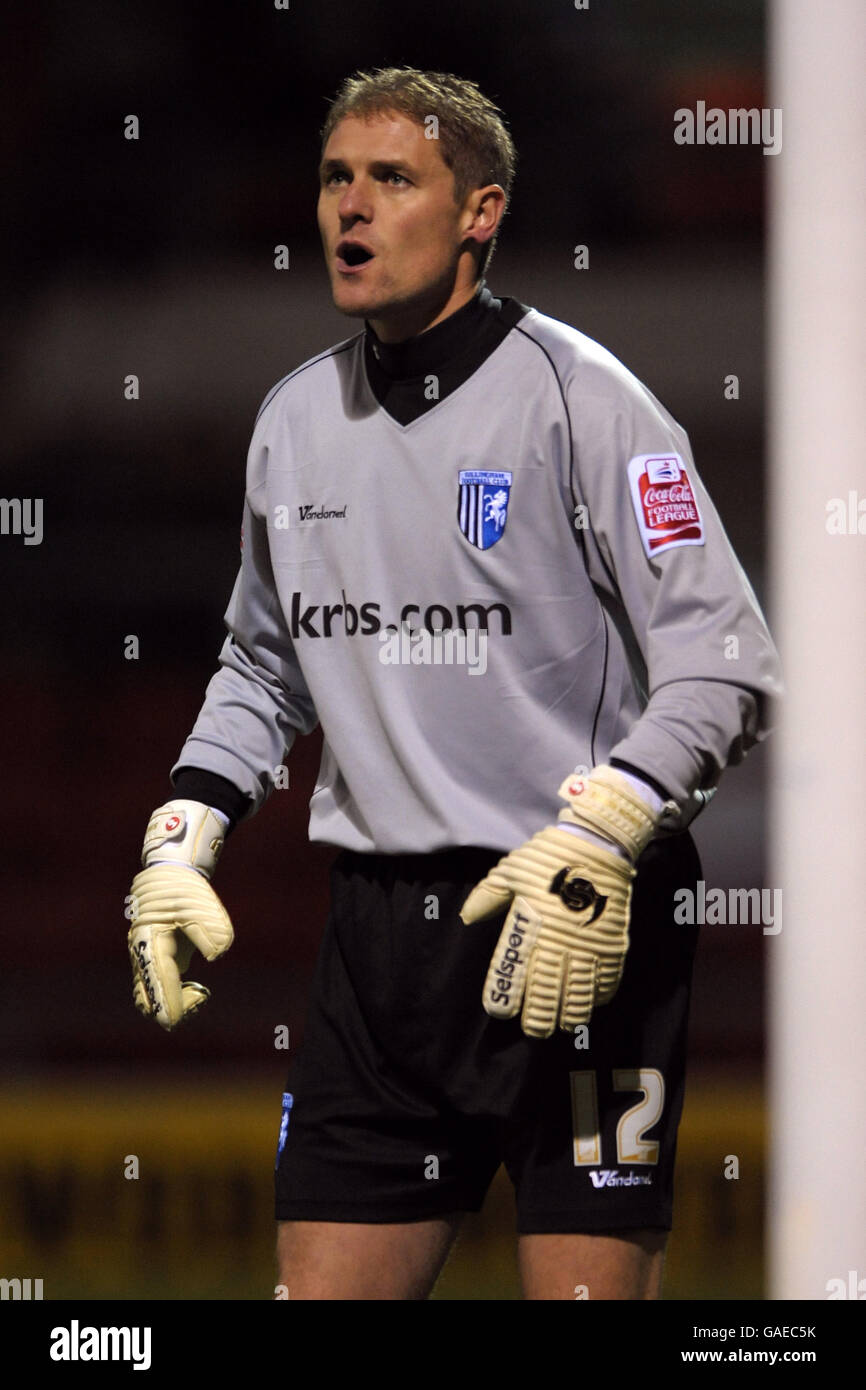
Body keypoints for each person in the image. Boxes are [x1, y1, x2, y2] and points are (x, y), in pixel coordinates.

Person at [126, 66, 782, 1300]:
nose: (348, 209)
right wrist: (181, 835)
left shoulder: (587, 402)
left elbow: (724, 662)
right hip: (378, 954)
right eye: (334, 178)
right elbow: (261, 665)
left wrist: (607, 827)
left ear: (478, 212)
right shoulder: (290, 423)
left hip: (578, 917)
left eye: (390, 179)